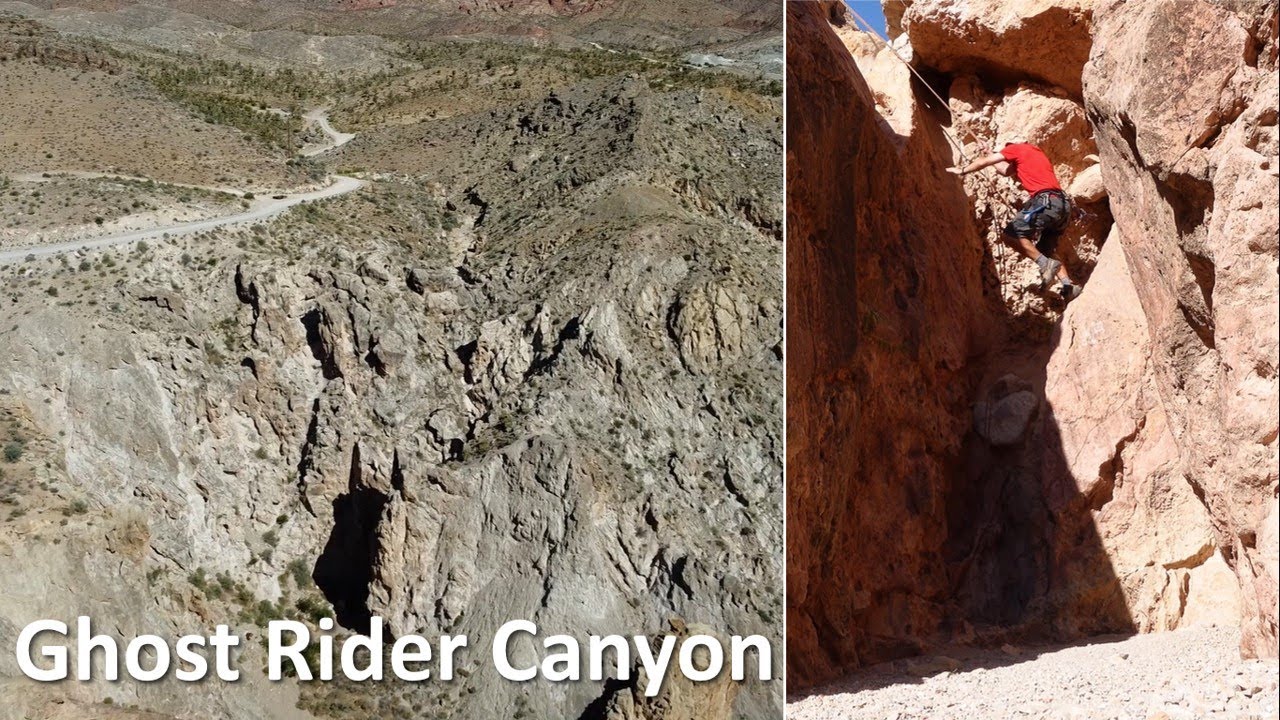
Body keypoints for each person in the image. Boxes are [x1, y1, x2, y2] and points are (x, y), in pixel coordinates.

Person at [948, 141, 1082, 301]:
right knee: (1046, 250)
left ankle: (1045, 264)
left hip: (1045, 201)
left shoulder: (1016, 148)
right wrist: (989, 153)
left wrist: (963, 170)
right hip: (1062, 205)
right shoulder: (1036, 154)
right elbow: (1006, 170)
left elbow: (985, 163)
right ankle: (1068, 286)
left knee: (1011, 235)